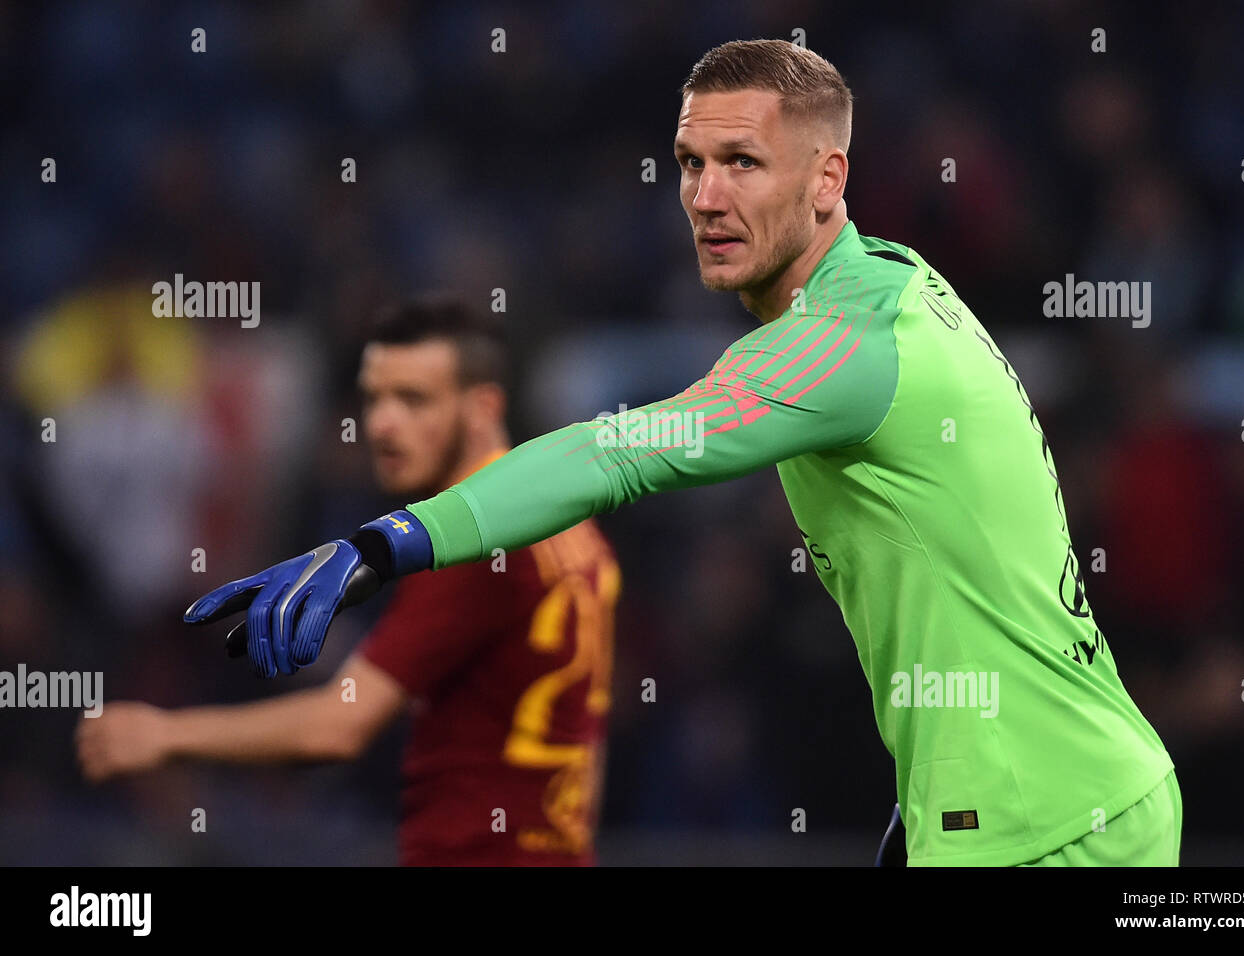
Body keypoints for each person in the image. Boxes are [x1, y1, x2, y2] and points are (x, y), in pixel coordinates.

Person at [183, 39, 1179, 867]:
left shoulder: (842, 347)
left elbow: (616, 452)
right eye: (689, 162)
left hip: (1040, 826)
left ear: (827, 177)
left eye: (742, 162)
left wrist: (386, 539)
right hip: (1063, 795)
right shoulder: (897, 283)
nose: (704, 195)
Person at [78, 295, 620, 866]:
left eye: (413, 400)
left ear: (482, 408)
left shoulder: (473, 550)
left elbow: (338, 727)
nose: (383, 423)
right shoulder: (576, 531)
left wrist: (165, 735)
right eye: (375, 398)